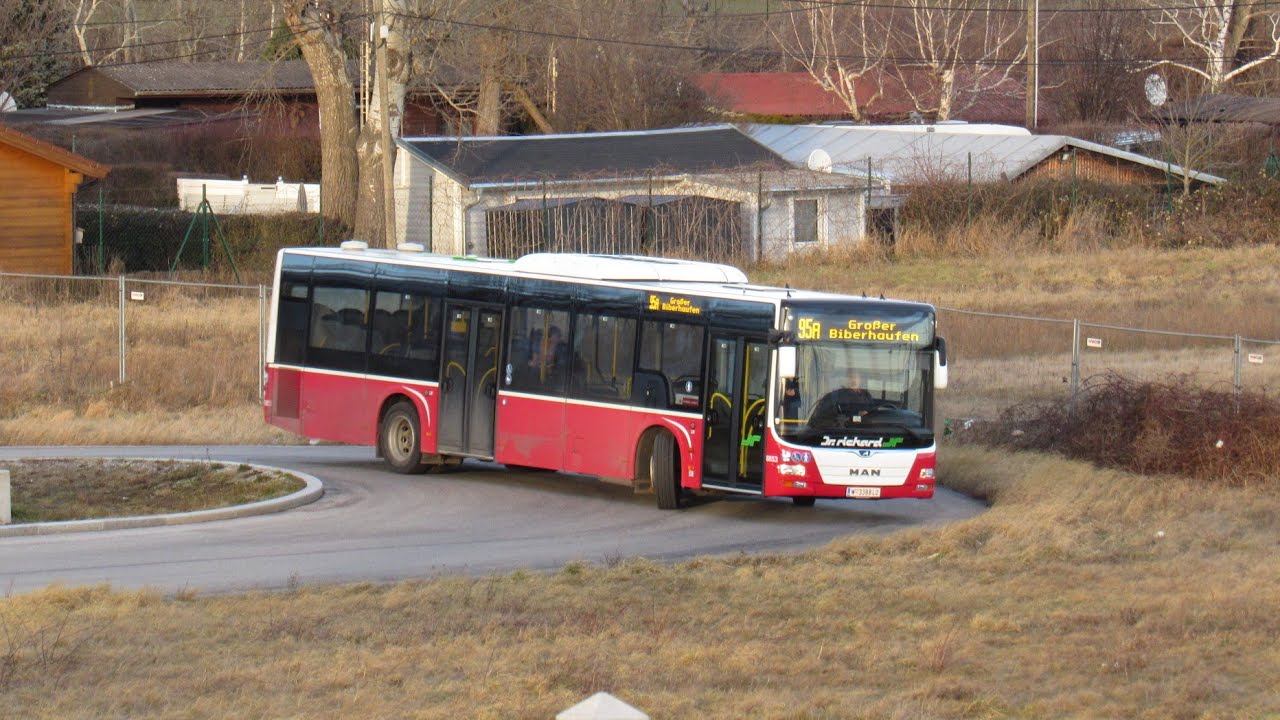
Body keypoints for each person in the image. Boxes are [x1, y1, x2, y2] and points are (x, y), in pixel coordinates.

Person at [808, 368, 873, 427]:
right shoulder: (837, 395)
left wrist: (866, 414)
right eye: (850, 377)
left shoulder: (866, 395)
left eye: (856, 377)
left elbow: (873, 412)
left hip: (864, 430)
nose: (853, 380)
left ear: (860, 379)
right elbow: (827, 415)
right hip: (843, 430)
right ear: (846, 380)